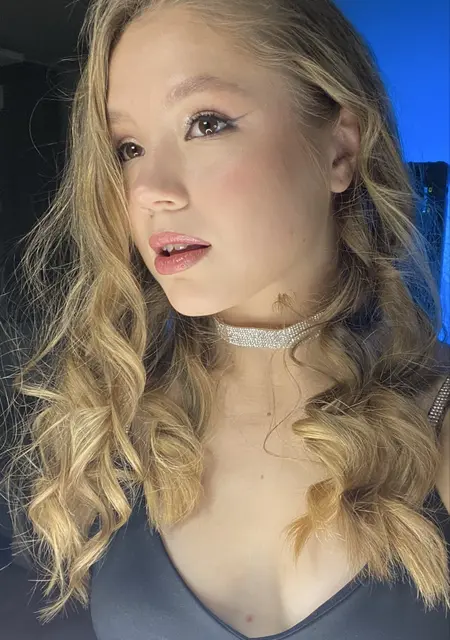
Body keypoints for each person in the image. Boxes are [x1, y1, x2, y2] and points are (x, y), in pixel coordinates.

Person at [0, 0, 449, 638]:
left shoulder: (436, 418)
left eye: (206, 123)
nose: (149, 189)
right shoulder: (108, 423)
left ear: (340, 149)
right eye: (129, 147)